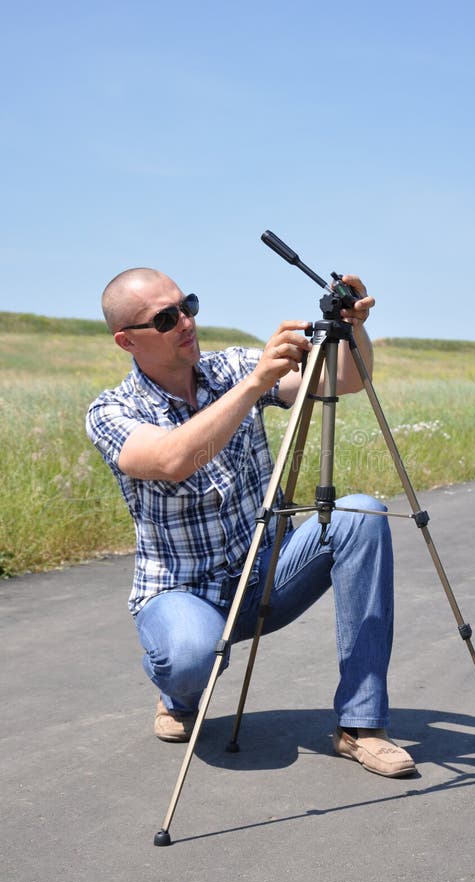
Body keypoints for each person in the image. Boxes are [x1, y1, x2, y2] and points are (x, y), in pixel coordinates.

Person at [86, 266, 416, 778]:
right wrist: (256, 382)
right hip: (181, 591)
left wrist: (352, 331)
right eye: (167, 317)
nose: (186, 323)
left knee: (363, 514)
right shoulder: (110, 410)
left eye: (188, 306)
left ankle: (361, 724)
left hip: (267, 573)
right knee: (192, 657)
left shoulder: (231, 366)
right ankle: (177, 694)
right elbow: (174, 459)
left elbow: (343, 380)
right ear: (126, 340)